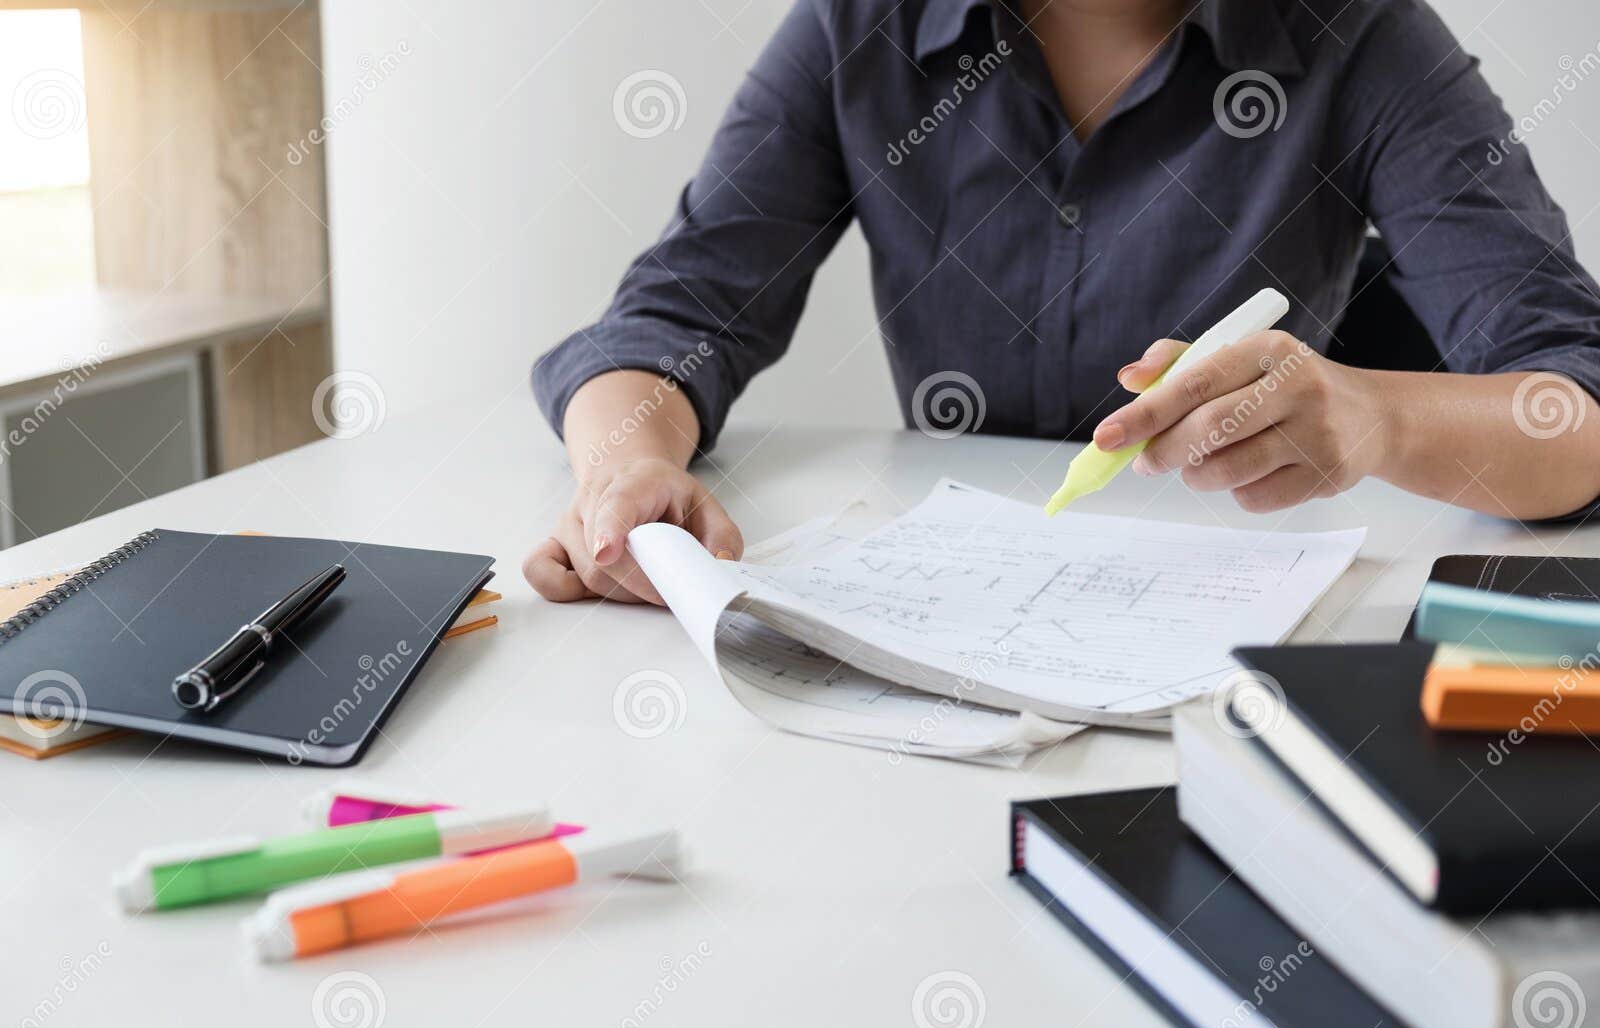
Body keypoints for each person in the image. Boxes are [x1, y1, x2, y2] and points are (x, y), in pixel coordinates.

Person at [525, 0, 1600, 605]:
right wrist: (625, 471)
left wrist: (1373, 417)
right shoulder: (861, 25)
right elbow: (673, 316)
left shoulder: (1360, 37)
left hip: (1231, 648)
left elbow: (1574, 397)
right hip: (946, 634)